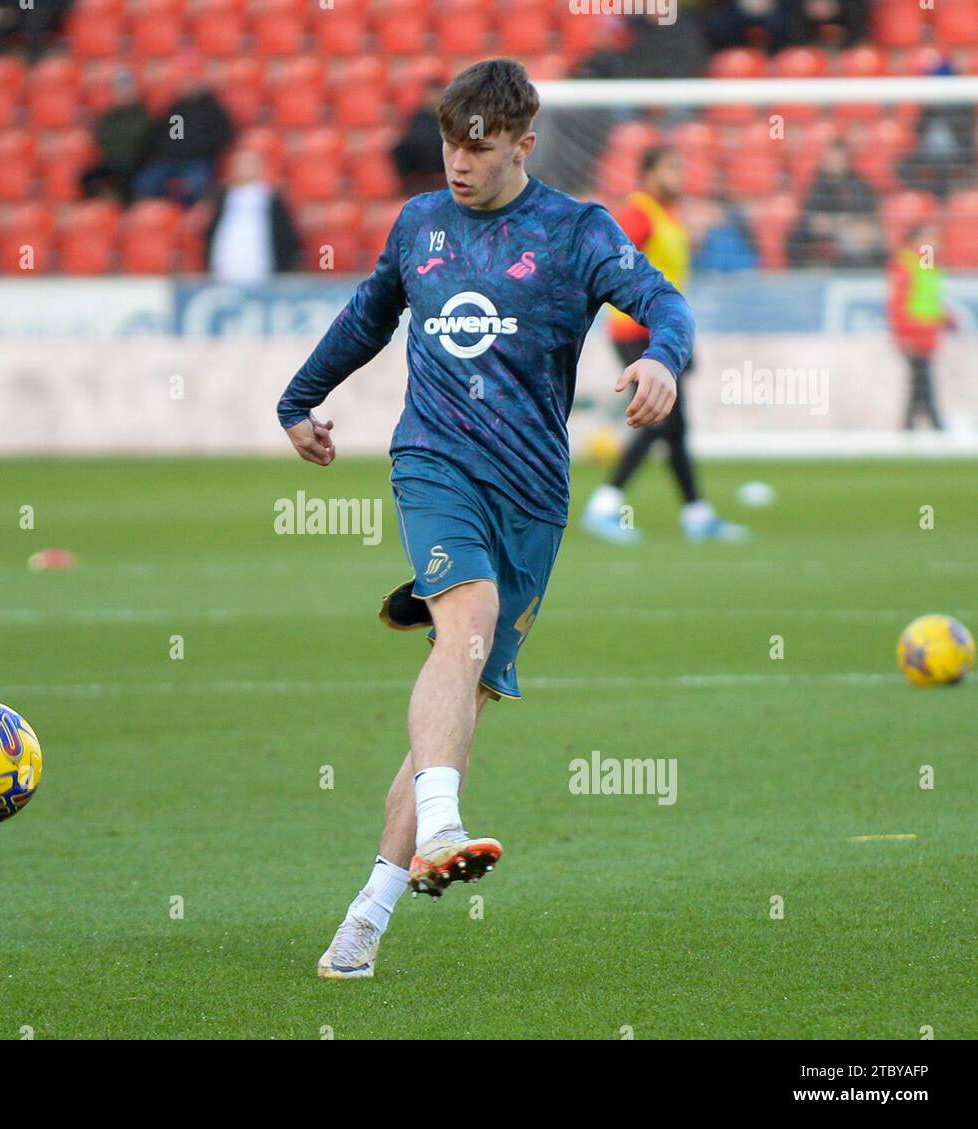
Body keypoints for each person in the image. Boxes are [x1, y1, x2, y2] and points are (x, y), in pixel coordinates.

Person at [276, 60, 693, 979]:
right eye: (448, 145)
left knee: (462, 685)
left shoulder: (577, 232)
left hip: (533, 495)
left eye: (479, 148)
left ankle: (365, 920)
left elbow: (665, 300)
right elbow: (367, 315)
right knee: (463, 623)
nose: (458, 165)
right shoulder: (419, 223)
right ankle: (446, 823)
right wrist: (299, 400)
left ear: (522, 145)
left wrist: (663, 355)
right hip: (435, 460)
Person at [582, 147, 747, 544]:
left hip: (665, 334)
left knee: (676, 427)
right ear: (648, 173)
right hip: (636, 333)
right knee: (662, 421)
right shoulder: (639, 213)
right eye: (671, 168)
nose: (680, 176)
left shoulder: (669, 216)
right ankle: (605, 504)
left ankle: (696, 512)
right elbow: (611, 264)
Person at [132, 55, 234, 208]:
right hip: (172, 159)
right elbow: (172, 136)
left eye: (190, 80)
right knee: (146, 183)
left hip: (199, 159)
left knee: (196, 185)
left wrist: (200, 149)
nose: (186, 85)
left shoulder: (212, 108)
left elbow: (223, 136)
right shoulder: (177, 108)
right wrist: (167, 152)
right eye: (183, 81)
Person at [890, 222, 953, 431]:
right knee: (922, 380)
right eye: (929, 237)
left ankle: (911, 425)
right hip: (913, 331)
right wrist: (902, 334)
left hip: (927, 331)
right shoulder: (906, 262)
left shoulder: (926, 262)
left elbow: (929, 296)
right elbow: (898, 302)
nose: (934, 242)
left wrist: (945, 317)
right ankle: (933, 424)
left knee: (920, 380)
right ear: (915, 239)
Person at [204, 150, 300, 281]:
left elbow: (286, 236)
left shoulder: (272, 199)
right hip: (223, 270)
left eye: (248, 165)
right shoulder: (219, 197)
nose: (242, 170)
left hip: (264, 271)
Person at [80, 67, 152, 204]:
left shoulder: (143, 114)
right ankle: (101, 207)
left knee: (129, 179)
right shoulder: (108, 117)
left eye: (126, 88)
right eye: (119, 89)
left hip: (135, 161)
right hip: (113, 159)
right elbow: (103, 139)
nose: (123, 93)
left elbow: (146, 140)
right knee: (87, 177)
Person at [390, 76, 448, 195]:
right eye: (431, 93)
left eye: (437, 93)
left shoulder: (451, 115)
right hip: (420, 164)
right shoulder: (417, 116)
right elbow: (411, 138)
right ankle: (410, 185)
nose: (433, 97)